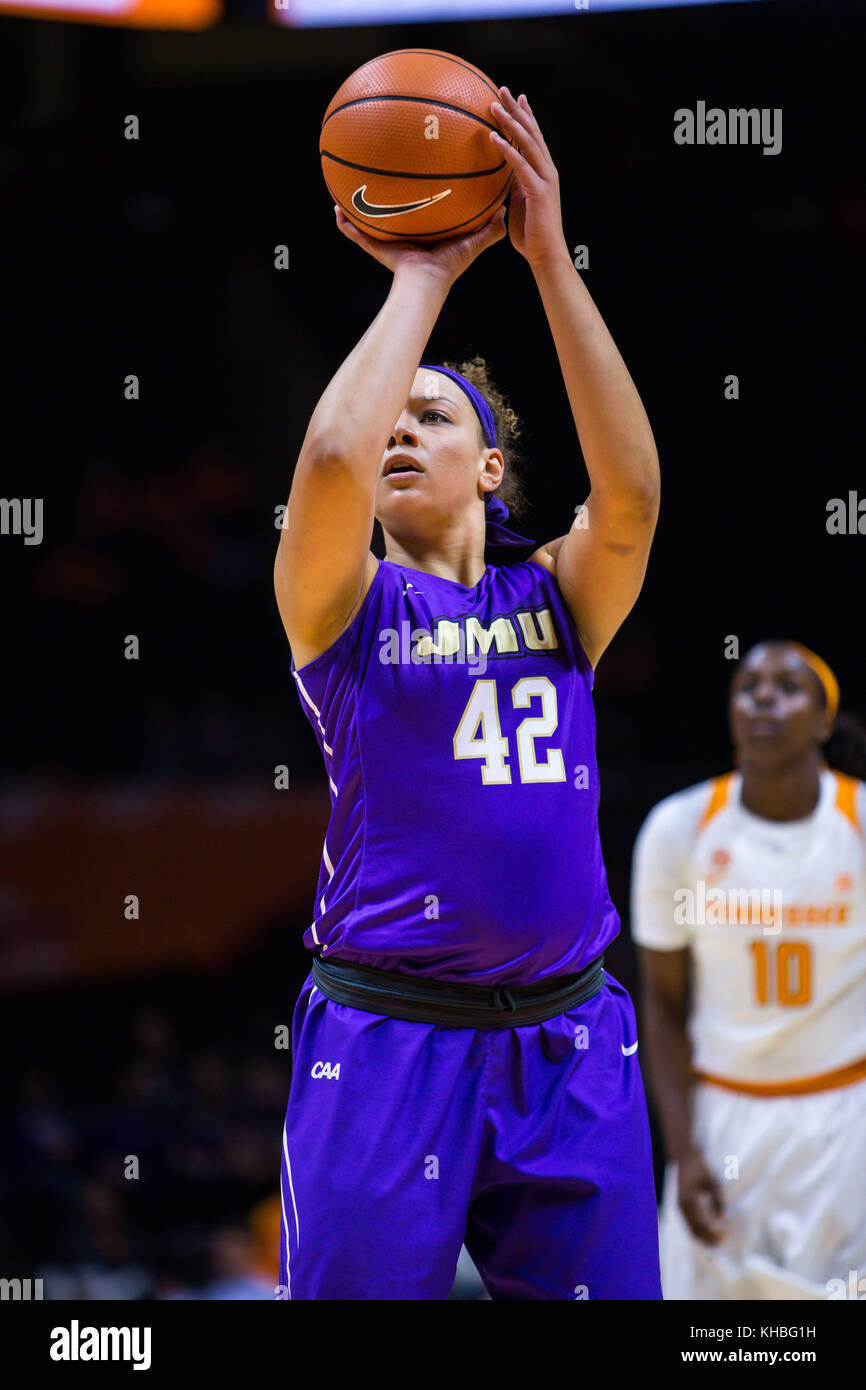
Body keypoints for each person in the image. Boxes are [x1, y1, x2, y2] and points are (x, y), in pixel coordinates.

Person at [274, 86, 661, 1299]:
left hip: (566, 1039)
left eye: (430, 415)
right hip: (387, 1037)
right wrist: (421, 272)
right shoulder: (340, 606)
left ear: (491, 467)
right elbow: (331, 455)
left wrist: (546, 258)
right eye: (391, 412)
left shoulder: (555, 596)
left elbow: (634, 493)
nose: (395, 427)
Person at [632, 640, 866, 1299]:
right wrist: (682, 1152)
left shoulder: (860, 825)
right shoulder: (679, 829)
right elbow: (663, 1003)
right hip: (721, 1115)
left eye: (788, 687)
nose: (763, 696)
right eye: (748, 685)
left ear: (824, 721)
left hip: (846, 1118)